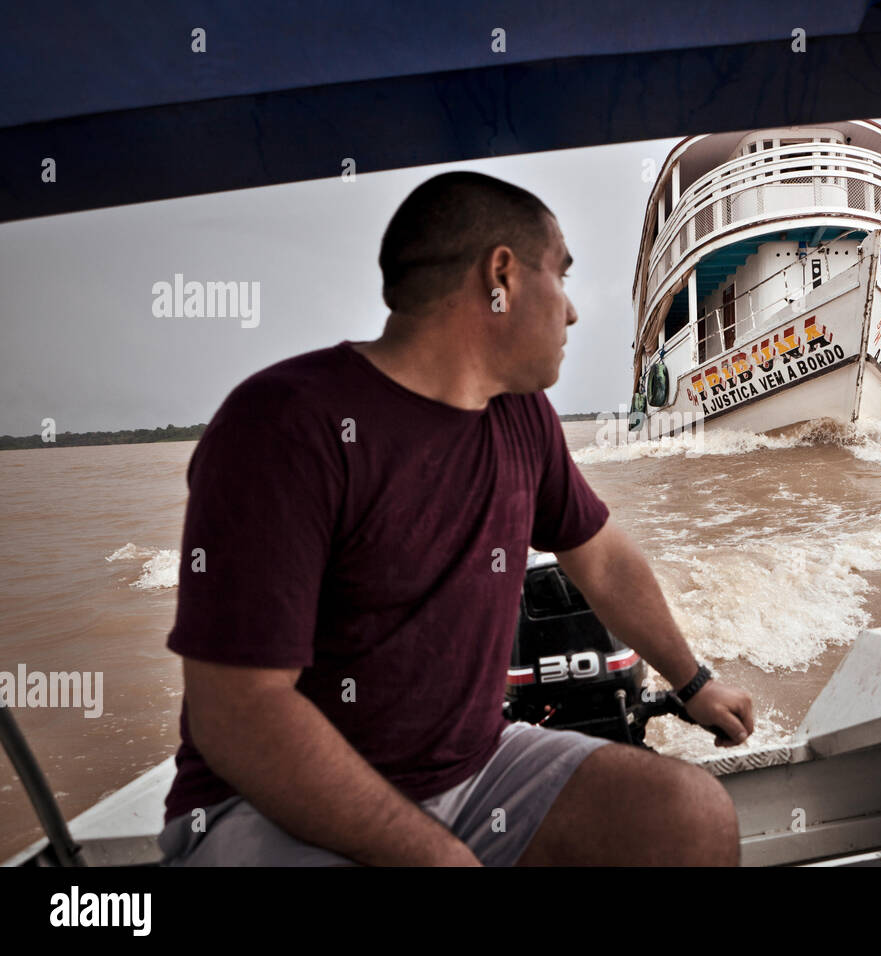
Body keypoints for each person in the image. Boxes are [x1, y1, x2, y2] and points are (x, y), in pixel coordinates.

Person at [156, 171, 755, 867]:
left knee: (690, 819)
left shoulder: (520, 415)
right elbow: (239, 714)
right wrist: (433, 856)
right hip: (267, 808)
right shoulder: (285, 426)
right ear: (501, 274)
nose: (571, 313)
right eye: (560, 275)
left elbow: (601, 557)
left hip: (473, 772)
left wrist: (694, 682)